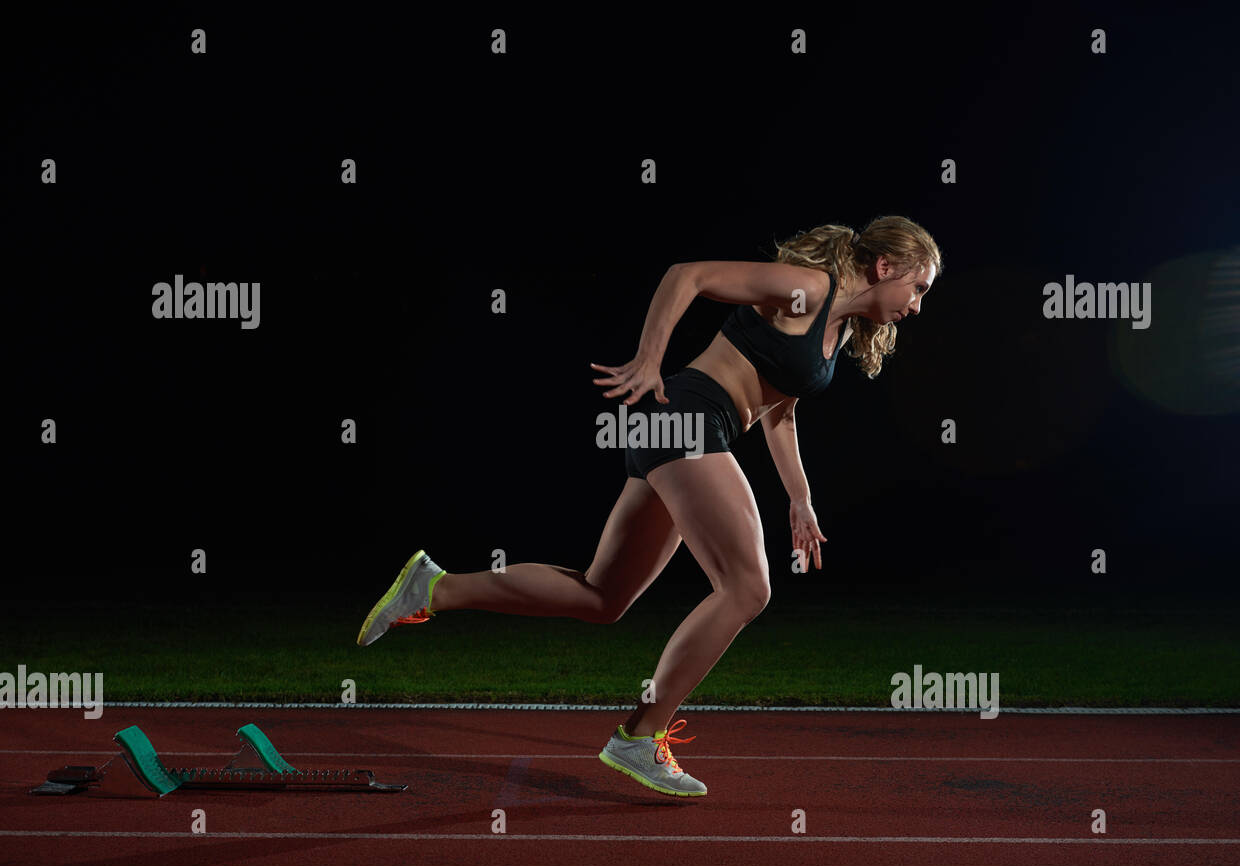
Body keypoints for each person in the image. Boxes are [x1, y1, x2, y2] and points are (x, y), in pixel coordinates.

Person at [355, 216, 942, 797]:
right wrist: (648, 360)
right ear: (884, 266)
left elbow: (781, 413)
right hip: (686, 418)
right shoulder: (808, 289)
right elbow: (687, 275)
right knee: (747, 588)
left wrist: (801, 500)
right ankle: (640, 734)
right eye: (917, 287)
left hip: (679, 430)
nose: (916, 306)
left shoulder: (835, 331)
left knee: (602, 596)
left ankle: (434, 588)